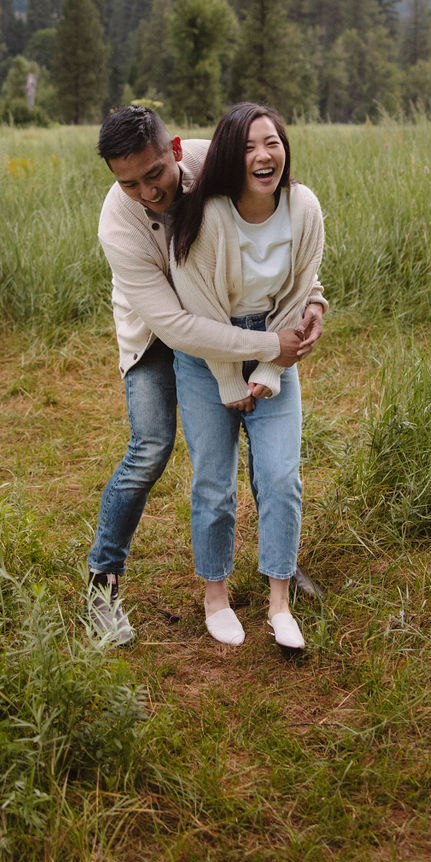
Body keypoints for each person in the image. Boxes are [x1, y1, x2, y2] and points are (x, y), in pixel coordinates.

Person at [89, 105, 326, 644]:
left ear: (175, 150)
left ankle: (279, 562)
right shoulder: (119, 223)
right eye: (129, 183)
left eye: (155, 174)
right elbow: (177, 327)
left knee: (275, 459)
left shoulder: (214, 160)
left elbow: (277, 233)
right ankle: (103, 583)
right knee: (151, 448)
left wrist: (312, 299)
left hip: (235, 316)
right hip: (158, 334)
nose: (148, 191)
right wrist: (272, 348)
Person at [168, 103, 326, 651]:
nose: (263, 155)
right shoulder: (206, 216)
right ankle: (216, 596)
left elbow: (302, 287)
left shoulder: (304, 207)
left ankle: (279, 603)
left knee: (281, 478)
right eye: (249, 146)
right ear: (229, 158)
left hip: (277, 344)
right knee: (214, 484)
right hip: (206, 354)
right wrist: (230, 379)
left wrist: (273, 367)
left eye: (272, 143)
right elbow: (198, 307)